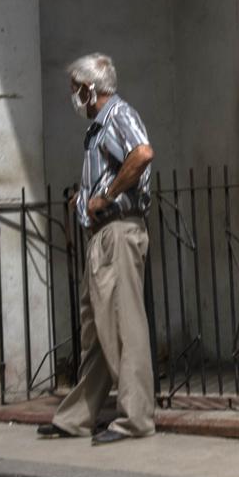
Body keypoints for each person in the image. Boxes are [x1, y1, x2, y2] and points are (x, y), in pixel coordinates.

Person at [43, 54, 160, 445]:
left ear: (90, 88)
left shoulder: (117, 115)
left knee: (125, 324)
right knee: (95, 327)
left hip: (119, 231)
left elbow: (142, 154)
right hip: (102, 235)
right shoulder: (96, 128)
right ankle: (77, 416)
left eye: (76, 88)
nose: (73, 96)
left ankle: (135, 418)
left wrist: (106, 195)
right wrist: (85, 197)